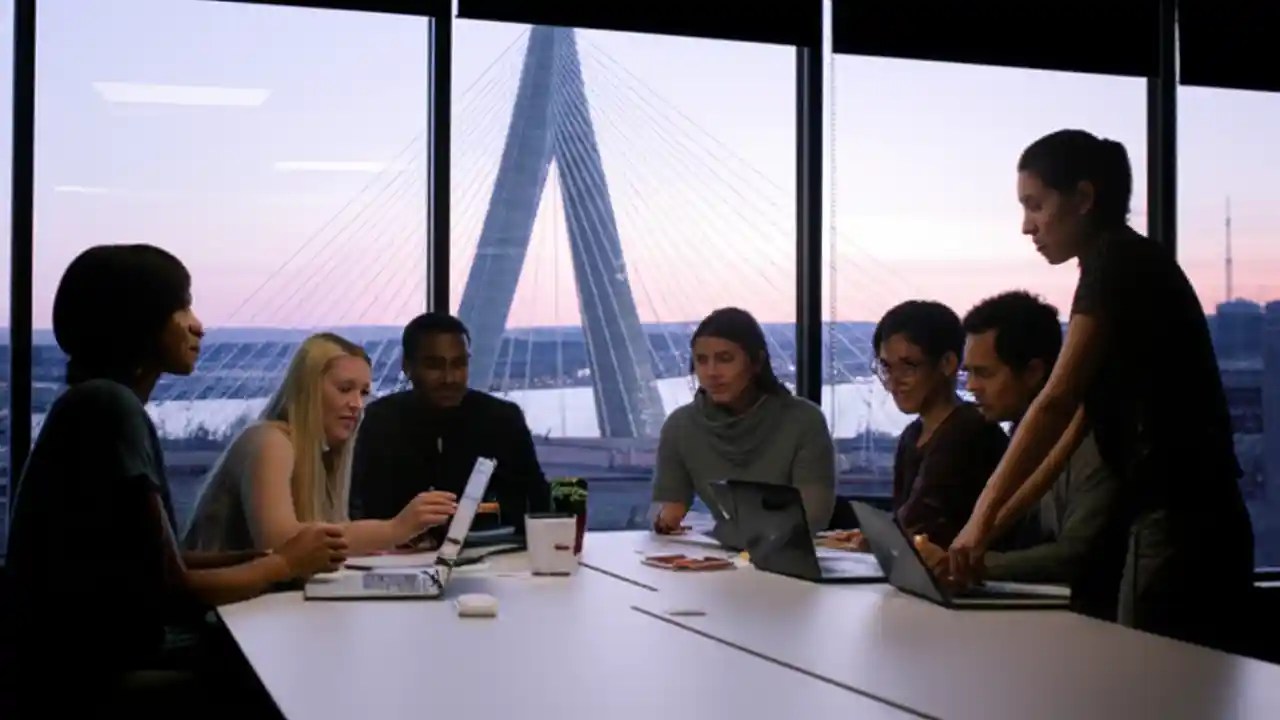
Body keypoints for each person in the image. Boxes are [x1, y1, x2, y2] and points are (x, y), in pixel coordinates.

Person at [1, 245, 346, 712]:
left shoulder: (94, 403)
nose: (197, 325)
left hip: (78, 664)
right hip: (90, 679)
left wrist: (269, 558)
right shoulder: (109, 408)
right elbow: (170, 589)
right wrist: (284, 565)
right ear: (138, 320)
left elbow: (155, 565)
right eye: (181, 308)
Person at [947, 130, 1253, 651]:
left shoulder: (1115, 263)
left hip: (1177, 521)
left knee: (1151, 677)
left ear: (1084, 198)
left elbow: (1055, 401)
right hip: (1192, 520)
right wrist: (983, 532)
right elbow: (1069, 431)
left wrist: (978, 525)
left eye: (1036, 205)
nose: (1027, 225)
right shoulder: (1120, 264)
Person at [912, 291, 1118, 593]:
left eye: (984, 373)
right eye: (969, 373)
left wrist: (966, 566)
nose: (972, 386)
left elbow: (1077, 556)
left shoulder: (1090, 446)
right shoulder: (1019, 434)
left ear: (1033, 372)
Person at [185, 333, 457, 556]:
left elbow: (326, 540)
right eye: (344, 389)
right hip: (220, 606)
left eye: (363, 392)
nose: (357, 404)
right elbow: (283, 545)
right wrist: (393, 530)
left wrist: (394, 541)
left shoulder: (321, 454)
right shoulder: (270, 441)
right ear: (308, 390)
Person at [350, 313, 550, 542]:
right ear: (407, 366)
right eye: (434, 366)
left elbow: (537, 504)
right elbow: (359, 508)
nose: (449, 378)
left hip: (491, 553)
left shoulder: (503, 419)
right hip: (392, 554)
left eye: (459, 364)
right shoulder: (379, 421)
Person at [652, 307, 836, 534]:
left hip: (790, 552)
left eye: (725, 359)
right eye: (701, 360)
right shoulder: (680, 426)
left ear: (757, 362)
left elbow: (813, 517)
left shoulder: (804, 421)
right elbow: (666, 509)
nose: (711, 372)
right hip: (725, 550)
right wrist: (664, 518)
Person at [867, 301, 1009, 549]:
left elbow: (918, 523)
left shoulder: (969, 432)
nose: (894, 381)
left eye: (908, 366)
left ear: (947, 363)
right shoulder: (913, 435)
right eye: (887, 368)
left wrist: (872, 539)